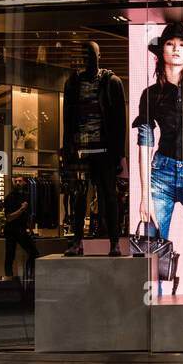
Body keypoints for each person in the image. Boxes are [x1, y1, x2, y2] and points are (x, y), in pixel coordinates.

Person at [134, 22, 183, 255]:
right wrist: (145, 195)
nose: (176, 49)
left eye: (182, 45)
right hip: (161, 175)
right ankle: (153, 292)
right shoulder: (150, 94)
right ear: (161, 51)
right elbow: (145, 145)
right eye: (170, 44)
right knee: (151, 248)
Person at [61, 40, 126, 256]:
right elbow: (67, 118)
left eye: (91, 54)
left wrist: (119, 155)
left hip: (104, 148)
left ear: (99, 56)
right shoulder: (72, 83)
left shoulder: (111, 82)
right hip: (81, 148)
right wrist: (67, 148)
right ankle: (78, 241)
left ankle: (114, 243)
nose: (87, 58)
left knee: (109, 195)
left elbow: (120, 121)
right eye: (84, 54)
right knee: (79, 195)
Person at [2, 176, 39, 278]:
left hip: (21, 230)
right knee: (10, 256)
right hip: (11, 230)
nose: (17, 183)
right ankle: (9, 279)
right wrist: (21, 209)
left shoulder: (26, 196)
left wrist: (30, 229)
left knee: (34, 253)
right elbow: (9, 218)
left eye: (20, 181)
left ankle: (28, 275)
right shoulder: (9, 197)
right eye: (16, 181)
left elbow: (29, 214)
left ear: (24, 183)